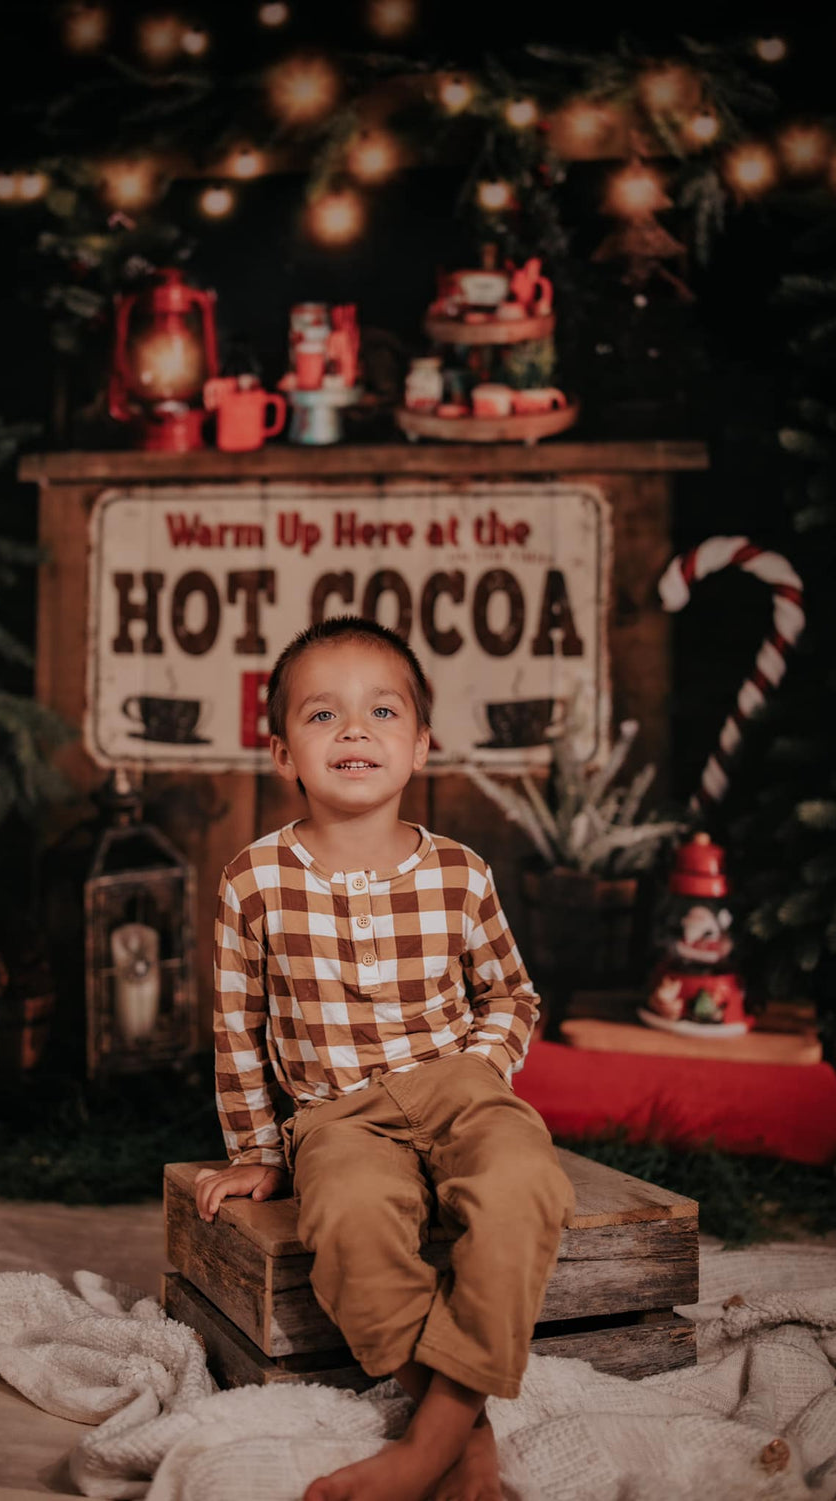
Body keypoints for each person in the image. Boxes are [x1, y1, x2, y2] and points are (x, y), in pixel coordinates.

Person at [194, 615, 575, 1501]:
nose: (355, 729)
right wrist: (258, 1150)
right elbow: (236, 1028)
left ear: (421, 746)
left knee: (526, 1181)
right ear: (284, 753)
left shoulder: (461, 873)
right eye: (322, 715)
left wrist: (478, 1071)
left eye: (382, 710)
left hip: (462, 1089)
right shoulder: (253, 879)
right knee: (351, 1223)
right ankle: (465, 1440)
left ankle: (424, 1445)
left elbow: (512, 996)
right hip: (335, 1115)